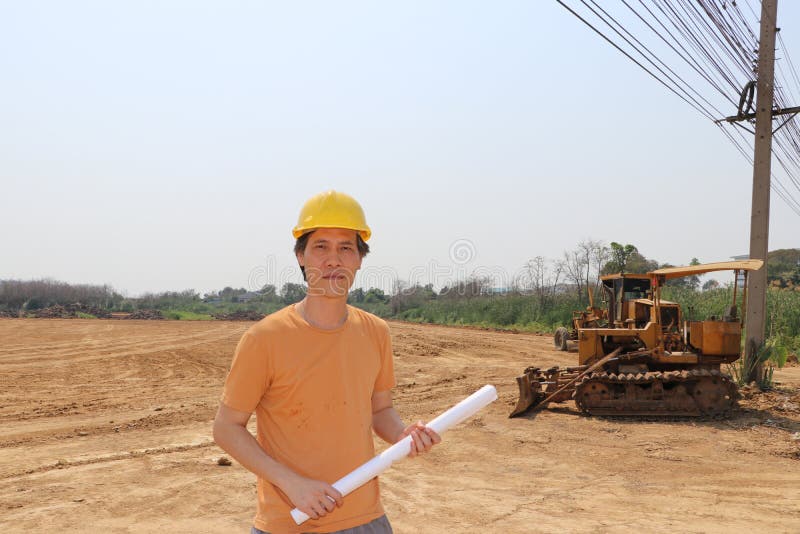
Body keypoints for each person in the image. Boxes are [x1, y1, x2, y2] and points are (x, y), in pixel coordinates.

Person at [213, 190, 441, 534]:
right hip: (289, 522)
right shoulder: (264, 338)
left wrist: (402, 435)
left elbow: (380, 411)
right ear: (301, 256)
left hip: (365, 519)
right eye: (321, 246)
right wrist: (293, 484)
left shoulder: (375, 332)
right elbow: (226, 428)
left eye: (345, 247)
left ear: (359, 259)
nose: (333, 259)